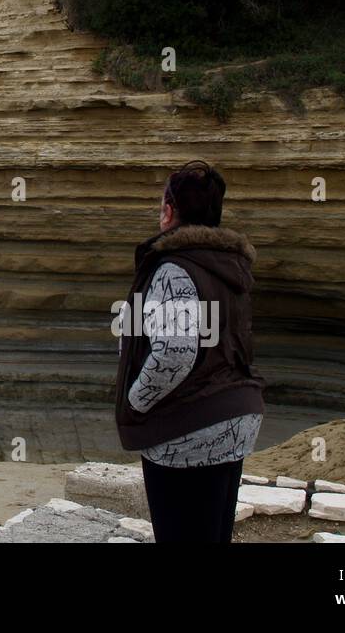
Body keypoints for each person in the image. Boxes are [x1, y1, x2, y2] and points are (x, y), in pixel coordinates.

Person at [114, 160, 266, 543]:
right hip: (234, 416)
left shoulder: (173, 270)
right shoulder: (229, 266)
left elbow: (174, 353)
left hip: (188, 428)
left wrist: (136, 403)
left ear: (168, 211)